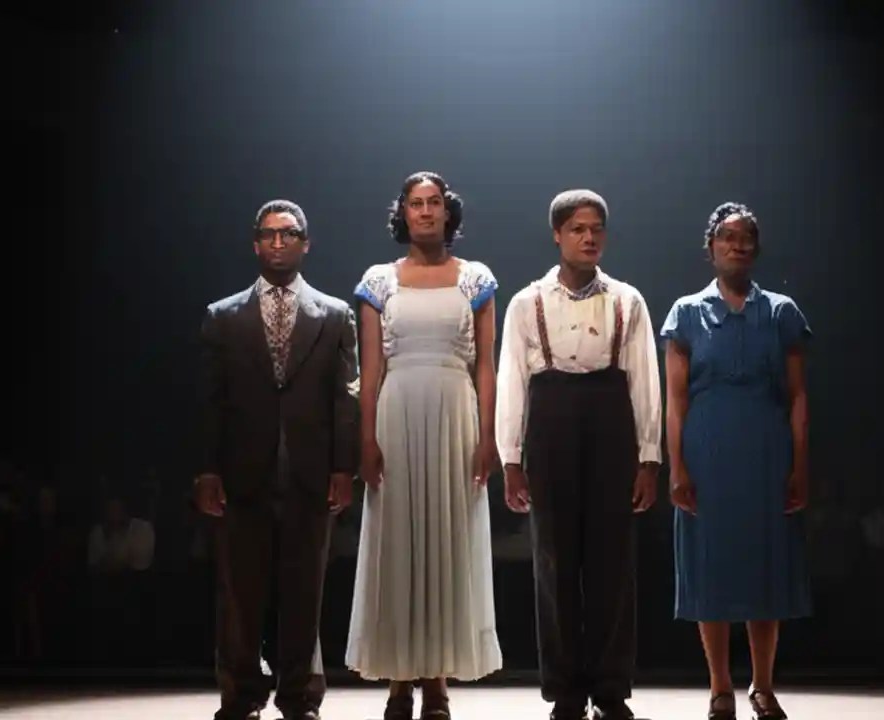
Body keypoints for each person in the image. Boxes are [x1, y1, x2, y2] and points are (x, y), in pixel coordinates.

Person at [495, 189, 661, 720]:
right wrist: (511, 459)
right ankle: (564, 690)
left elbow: (645, 383)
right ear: (557, 235)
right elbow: (512, 383)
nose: (589, 238)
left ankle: (611, 689)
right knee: (554, 563)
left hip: (610, 419)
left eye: (597, 229)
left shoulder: (627, 300)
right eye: (578, 229)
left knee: (612, 563)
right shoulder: (528, 303)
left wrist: (649, 459)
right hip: (551, 420)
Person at [347, 171, 503, 719]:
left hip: (455, 410)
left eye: (435, 202)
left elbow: (486, 365)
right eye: (416, 203)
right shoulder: (378, 281)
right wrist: (366, 439)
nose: (427, 211)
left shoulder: (475, 279)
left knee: (445, 537)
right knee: (398, 539)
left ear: (448, 212)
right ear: (404, 213)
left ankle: (436, 680)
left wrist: (490, 436)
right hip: (397, 411)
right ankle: (397, 678)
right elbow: (371, 370)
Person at [195, 199, 359, 720]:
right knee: (239, 595)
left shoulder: (334, 315)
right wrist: (207, 470)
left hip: (310, 472)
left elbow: (345, 399)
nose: (278, 243)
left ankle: (299, 696)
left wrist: (343, 467)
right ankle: (241, 694)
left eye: (288, 234)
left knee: (304, 594)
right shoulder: (223, 317)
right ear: (255, 243)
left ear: (305, 243)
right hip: (243, 472)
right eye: (268, 235)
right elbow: (209, 400)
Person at [660, 202, 812, 720]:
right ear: (711, 247)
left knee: (764, 566)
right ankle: (720, 686)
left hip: (766, 447)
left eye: (746, 237)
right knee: (712, 566)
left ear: (757, 248)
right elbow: (675, 399)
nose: (737, 244)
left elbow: (796, 395)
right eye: (727, 236)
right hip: (708, 447)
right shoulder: (685, 312)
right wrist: (676, 465)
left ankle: (764, 686)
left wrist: (799, 464)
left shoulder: (782, 311)